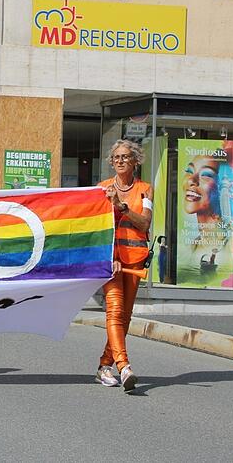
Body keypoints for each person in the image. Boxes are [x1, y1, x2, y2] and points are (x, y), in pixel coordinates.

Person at [96, 139, 152, 392]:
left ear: (135, 161)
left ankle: (104, 365)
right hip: (110, 259)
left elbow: (145, 223)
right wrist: (110, 257)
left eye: (125, 156)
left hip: (134, 259)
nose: (120, 160)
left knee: (125, 316)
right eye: (116, 157)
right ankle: (124, 366)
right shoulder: (102, 188)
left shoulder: (145, 190)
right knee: (115, 310)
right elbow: (97, 227)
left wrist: (121, 207)